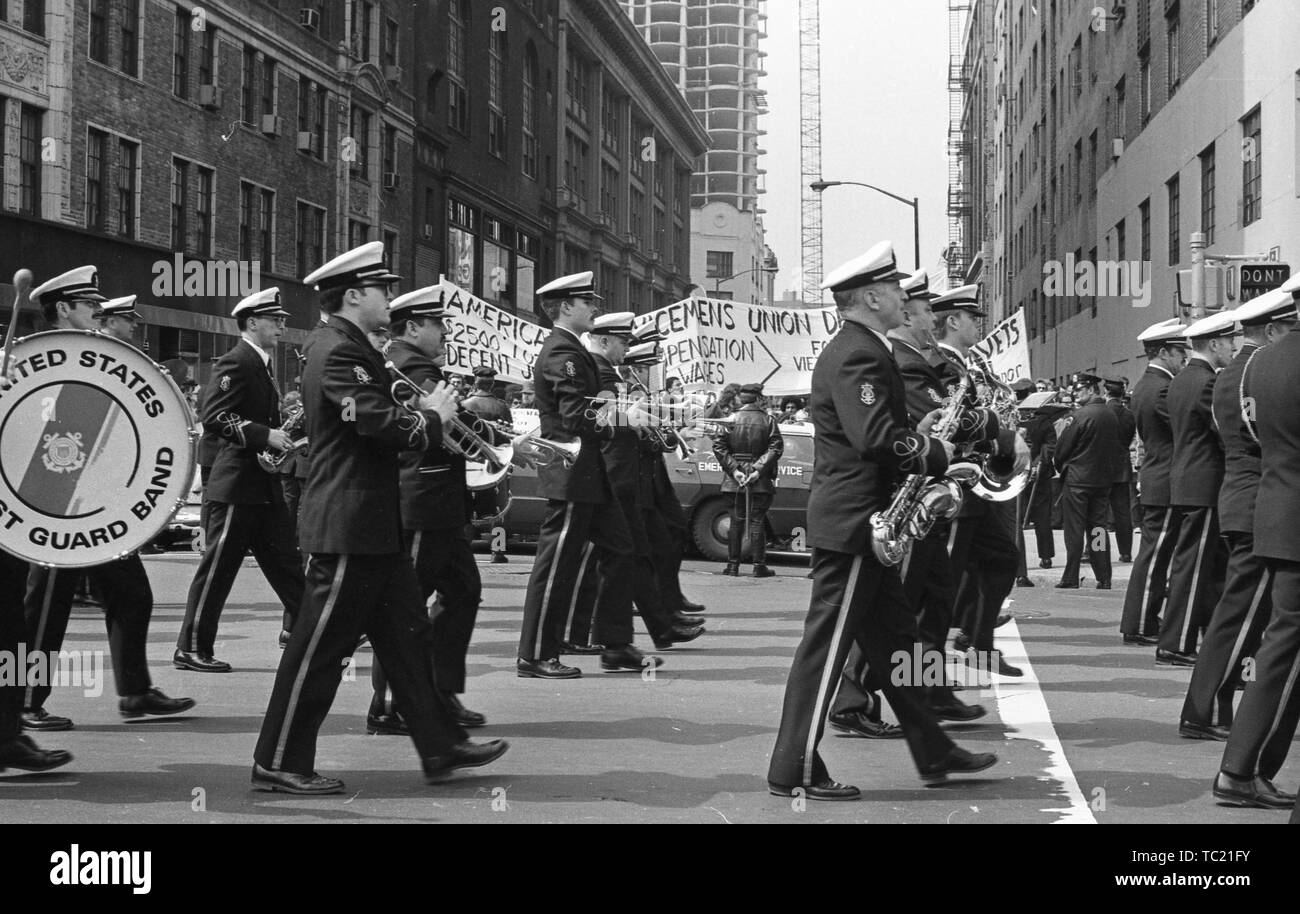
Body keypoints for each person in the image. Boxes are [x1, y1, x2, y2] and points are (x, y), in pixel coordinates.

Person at [253, 241, 507, 794]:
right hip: (348, 519)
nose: (390, 298)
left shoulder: (349, 346)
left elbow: (381, 412)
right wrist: (431, 418)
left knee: (410, 638)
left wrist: (427, 413)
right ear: (352, 296)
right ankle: (278, 760)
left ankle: (440, 747)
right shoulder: (337, 351)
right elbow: (372, 422)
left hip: (372, 521)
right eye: (383, 290)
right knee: (319, 649)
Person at [768, 241, 997, 801]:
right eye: (895, 289)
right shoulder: (858, 354)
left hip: (870, 523)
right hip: (855, 524)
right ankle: (792, 767)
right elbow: (876, 438)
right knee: (823, 651)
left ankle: (934, 748)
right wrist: (937, 455)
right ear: (871, 296)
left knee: (898, 646)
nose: (904, 297)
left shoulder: (865, 349)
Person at [21, 273, 194, 731]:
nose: (99, 310)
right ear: (62, 309)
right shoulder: (34, 361)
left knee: (133, 594)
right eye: (88, 303)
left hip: (97, 507)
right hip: (49, 505)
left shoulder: (99, 358)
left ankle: (135, 693)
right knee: (43, 610)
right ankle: (22, 703)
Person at [829, 268, 993, 737]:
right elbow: (880, 438)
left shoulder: (901, 355)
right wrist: (936, 448)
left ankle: (928, 693)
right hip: (896, 503)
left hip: (917, 500)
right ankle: (853, 696)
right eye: (919, 308)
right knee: (887, 609)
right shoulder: (889, 357)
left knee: (932, 602)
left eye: (913, 302)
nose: (921, 316)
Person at [515, 272, 660, 679]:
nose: (595, 307)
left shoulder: (572, 350)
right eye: (587, 301)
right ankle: (534, 655)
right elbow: (575, 416)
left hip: (588, 475)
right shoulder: (564, 353)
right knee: (556, 566)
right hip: (572, 472)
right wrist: (622, 422)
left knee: (621, 548)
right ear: (565, 307)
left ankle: (615, 645)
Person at [367, 286, 490, 734]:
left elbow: (458, 421)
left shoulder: (415, 363)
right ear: (414, 327)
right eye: (438, 325)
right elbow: (451, 421)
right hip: (420, 500)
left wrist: (506, 444)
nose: (446, 333)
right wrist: (501, 443)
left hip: (439, 503)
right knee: (407, 607)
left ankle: (438, 689)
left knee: (463, 592)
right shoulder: (409, 364)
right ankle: (389, 704)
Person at [1182, 290, 1296, 741]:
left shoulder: (1231, 374)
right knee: (1243, 616)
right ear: (1271, 329)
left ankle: (1213, 706)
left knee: (1240, 613)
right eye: (1288, 330)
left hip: (1241, 497)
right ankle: (1205, 708)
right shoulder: (1258, 368)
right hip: (1257, 501)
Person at [174, 288, 306, 672]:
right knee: (218, 569)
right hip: (237, 486)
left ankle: (313, 634)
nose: (282, 326)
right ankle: (191, 647)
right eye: (275, 320)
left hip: (260, 485)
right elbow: (213, 415)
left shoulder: (259, 363)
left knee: (287, 565)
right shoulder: (238, 361)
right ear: (252, 323)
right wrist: (266, 435)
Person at [1213, 276, 1300, 810]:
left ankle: (1242, 767)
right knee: (1286, 652)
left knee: (1281, 644)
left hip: (1276, 510)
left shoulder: (1261, 361)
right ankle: (1243, 768)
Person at [931, 284, 1029, 677]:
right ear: (952, 321)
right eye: (973, 319)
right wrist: (1003, 434)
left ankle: (977, 641)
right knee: (944, 581)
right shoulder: (942, 364)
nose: (978, 326)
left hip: (979, 483)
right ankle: (928, 674)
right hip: (959, 485)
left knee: (1003, 560)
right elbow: (951, 419)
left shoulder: (973, 365)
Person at [1156, 312, 1235, 666]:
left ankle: (1196, 636)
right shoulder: (1206, 382)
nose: (1233, 348)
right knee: (1193, 569)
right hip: (1204, 483)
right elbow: (1223, 432)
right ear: (1214, 344)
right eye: (1229, 342)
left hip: (1187, 479)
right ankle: (1176, 643)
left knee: (1203, 567)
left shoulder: (1182, 379)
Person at [1120, 319, 1188, 646]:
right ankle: (1142, 623)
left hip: (1157, 475)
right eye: (1179, 353)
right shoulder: (1162, 388)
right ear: (1162, 352)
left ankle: (1143, 620)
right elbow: (1182, 432)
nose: (1184, 359)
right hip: (1165, 478)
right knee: (1155, 557)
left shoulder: (1145, 384)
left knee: (1154, 555)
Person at [1053, 374, 1122, 589]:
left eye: (1080, 389)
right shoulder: (1112, 415)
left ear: (1092, 390)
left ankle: (1071, 576)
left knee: (1074, 531)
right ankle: (1103, 576)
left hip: (1078, 481)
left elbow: (1062, 449)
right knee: (1098, 530)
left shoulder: (1080, 416)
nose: (1075, 392)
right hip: (1102, 481)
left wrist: (1060, 465)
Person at [714, 383, 783, 577]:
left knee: (735, 521)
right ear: (758, 398)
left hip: (733, 479)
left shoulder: (731, 419)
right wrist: (758, 470)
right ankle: (758, 566)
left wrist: (735, 470)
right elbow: (775, 447)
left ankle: (733, 565)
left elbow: (719, 447)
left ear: (741, 399)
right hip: (759, 479)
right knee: (756, 522)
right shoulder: (768, 420)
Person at [1104, 379, 1138, 562]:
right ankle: (1125, 552)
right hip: (1122, 467)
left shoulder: (1102, 412)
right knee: (1123, 514)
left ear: (1106, 392)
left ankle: (1096, 548)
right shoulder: (1129, 414)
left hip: (1101, 467)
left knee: (1098, 515)